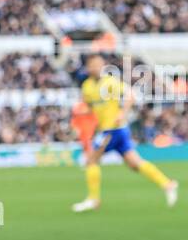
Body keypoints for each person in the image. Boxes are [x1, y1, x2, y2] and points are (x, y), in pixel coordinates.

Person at [72, 55, 178, 213]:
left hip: (112, 129)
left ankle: (94, 200)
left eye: (98, 64)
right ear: (88, 68)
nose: (96, 68)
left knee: (91, 161)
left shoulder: (110, 82)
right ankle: (167, 184)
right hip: (110, 130)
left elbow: (131, 95)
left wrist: (123, 112)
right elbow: (89, 107)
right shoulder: (87, 86)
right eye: (93, 65)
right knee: (135, 164)